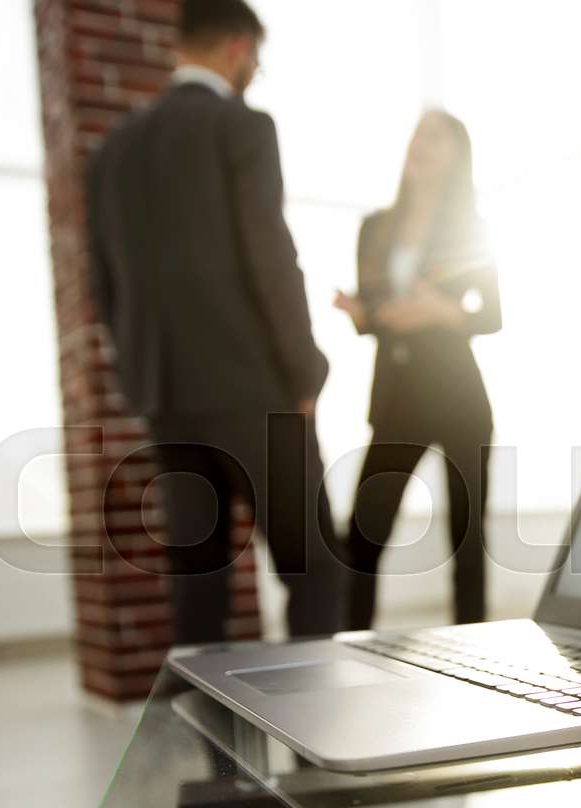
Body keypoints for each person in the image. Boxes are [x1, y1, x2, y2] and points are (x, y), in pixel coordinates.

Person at [85, 0, 341, 644]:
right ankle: (313, 709)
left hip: (165, 394)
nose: (254, 71)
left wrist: (144, 380)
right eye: (256, 59)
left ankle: (197, 710)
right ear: (237, 47)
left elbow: (104, 287)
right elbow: (269, 256)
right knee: (315, 569)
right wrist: (305, 370)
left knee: (198, 582)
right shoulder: (242, 127)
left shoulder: (113, 152)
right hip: (254, 385)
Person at [333, 111, 502, 630]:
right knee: (362, 536)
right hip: (397, 398)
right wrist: (363, 317)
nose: (419, 143)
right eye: (416, 134)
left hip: (459, 397)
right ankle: (350, 647)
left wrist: (442, 313)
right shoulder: (375, 228)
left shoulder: (469, 228)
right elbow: (379, 312)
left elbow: (491, 316)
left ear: (455, 156)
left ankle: (474, 652)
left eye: (434, 137)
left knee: (467, 542)